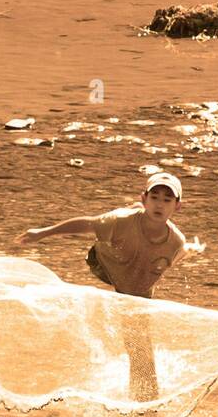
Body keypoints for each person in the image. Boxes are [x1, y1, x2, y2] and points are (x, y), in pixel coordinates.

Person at [16, 172, 191, 401]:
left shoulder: (175, 242)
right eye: (154, 197)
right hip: (104, 263)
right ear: (144, 199)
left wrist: (135, 303)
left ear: (177, 206)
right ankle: (145, 399)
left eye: (167, 200)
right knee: (110, 226)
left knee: (138, 344)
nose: (160, 204)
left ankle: (145, 397)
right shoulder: (120, 221)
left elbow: (156, 274)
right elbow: (86, 224)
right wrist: (43, 232)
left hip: (134, 281)